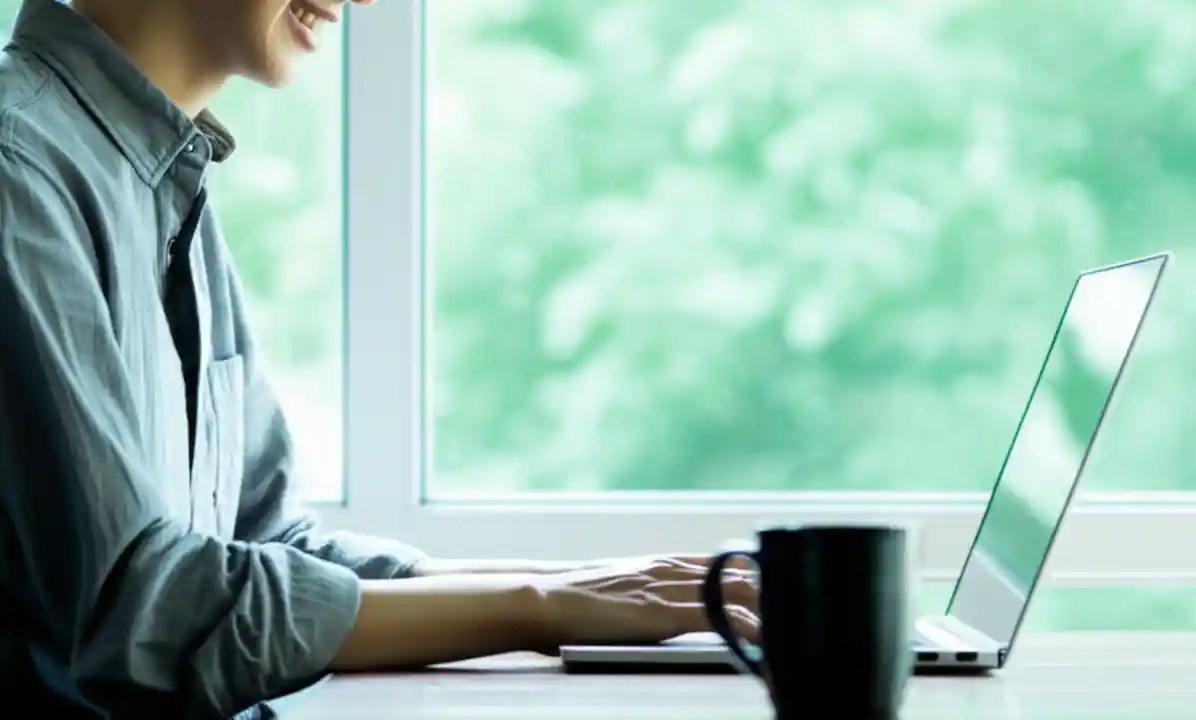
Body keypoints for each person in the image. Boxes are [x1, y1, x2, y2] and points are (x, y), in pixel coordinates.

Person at [0, 0, 759, 716]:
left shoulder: (157, 173)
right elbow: (143, 609)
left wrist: (571, 585)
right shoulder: (18, 173)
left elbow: (264, 542)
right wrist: (538, 606)